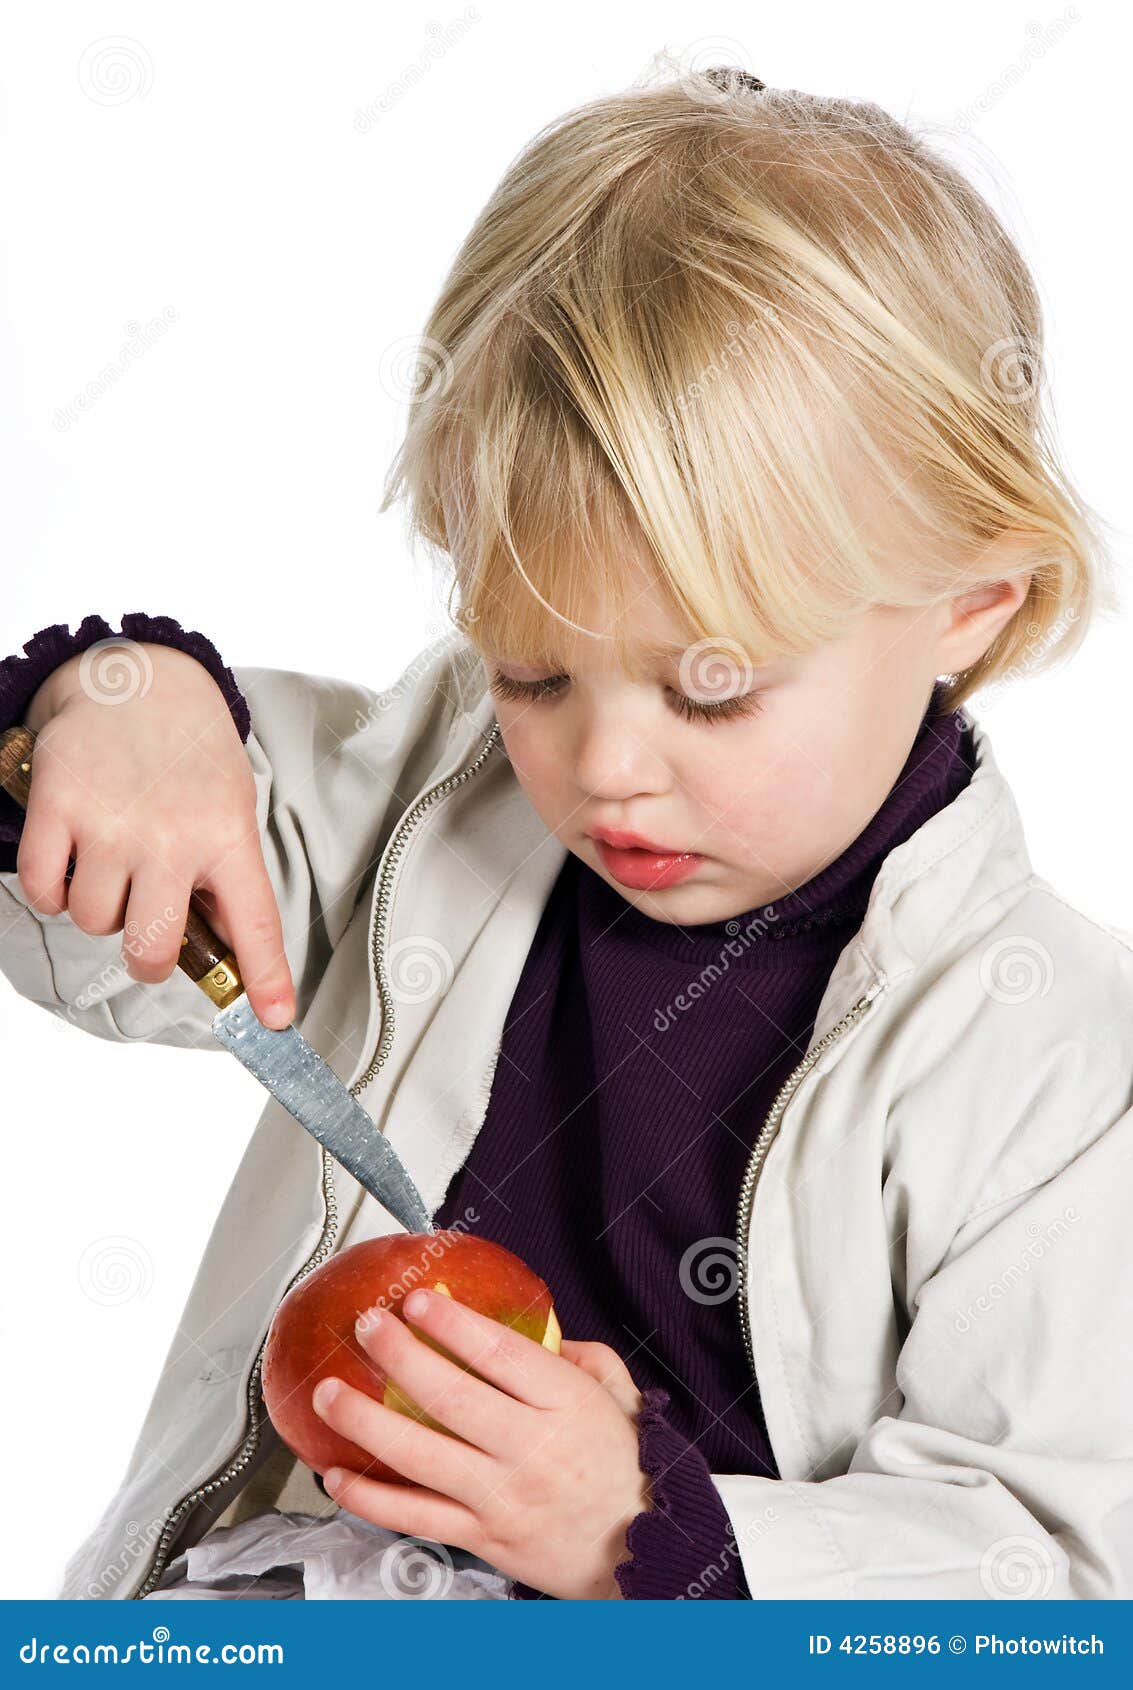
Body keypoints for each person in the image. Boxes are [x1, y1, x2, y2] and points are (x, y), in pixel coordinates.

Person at [2, 63, 1131, 1602]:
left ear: (968, 606)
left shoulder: (1060, 1074)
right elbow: (119, 948)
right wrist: (99, 719)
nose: (602, 766)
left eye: (713, 690)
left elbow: (1059, 1583)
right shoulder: (427, 792)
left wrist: (649, 1534)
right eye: (530, 667)